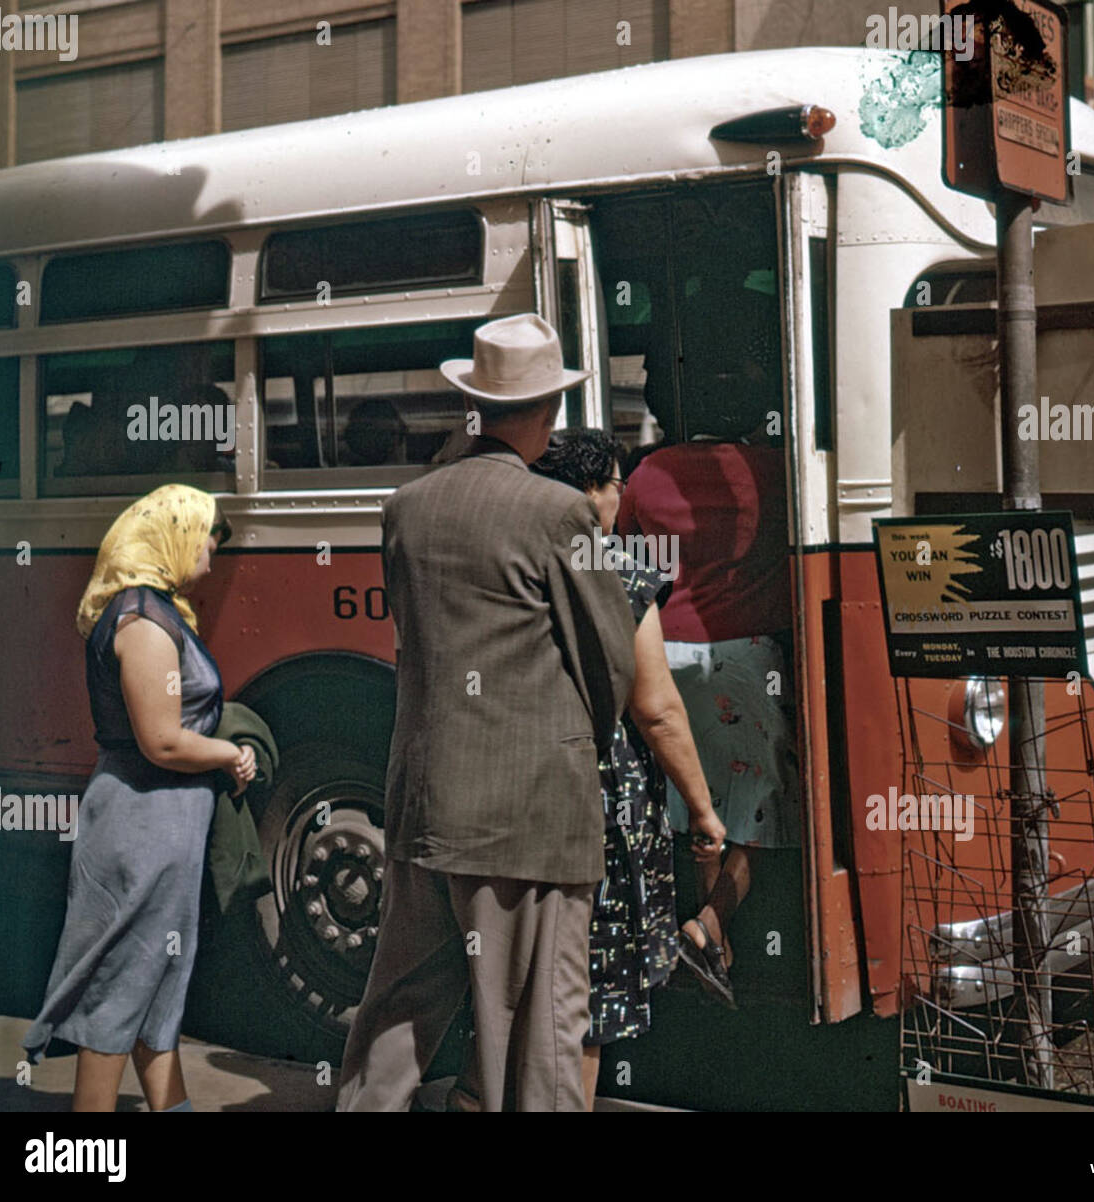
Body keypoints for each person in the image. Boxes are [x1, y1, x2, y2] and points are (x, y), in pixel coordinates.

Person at [335, 313, 637, 1112]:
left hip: (427, 803)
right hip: (530, 817)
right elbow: (608, 658)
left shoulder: (407, 507)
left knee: (397, 1014)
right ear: (543, 413)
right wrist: (585, 746)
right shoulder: (559, 514)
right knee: (540, 1033)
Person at [22, 484, 252, 1112]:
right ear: (171, 534)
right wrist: (230, 754)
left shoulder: (158, 610)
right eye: (207, 537)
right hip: (144, 824)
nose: (211, 553)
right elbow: (162, 741)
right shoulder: (144, 621)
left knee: (154, 992)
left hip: (159, 825)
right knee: (120, 996)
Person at [529, 428, 726, 1104]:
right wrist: (700, 808)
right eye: (617, 485)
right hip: (601, 794)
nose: (621, 498)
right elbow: (657, 708)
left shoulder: (512, 554)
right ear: (591, 490)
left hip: (520, 782)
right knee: (588, 992)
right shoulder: (615, 566)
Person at [617, 286, 800, 1009]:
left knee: (696, 809)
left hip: (666, 660)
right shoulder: (778, 472)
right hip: (749, 664)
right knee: (752, 814)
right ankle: (707, 926)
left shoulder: (647, 475)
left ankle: (710, 948)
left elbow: (629, 562)